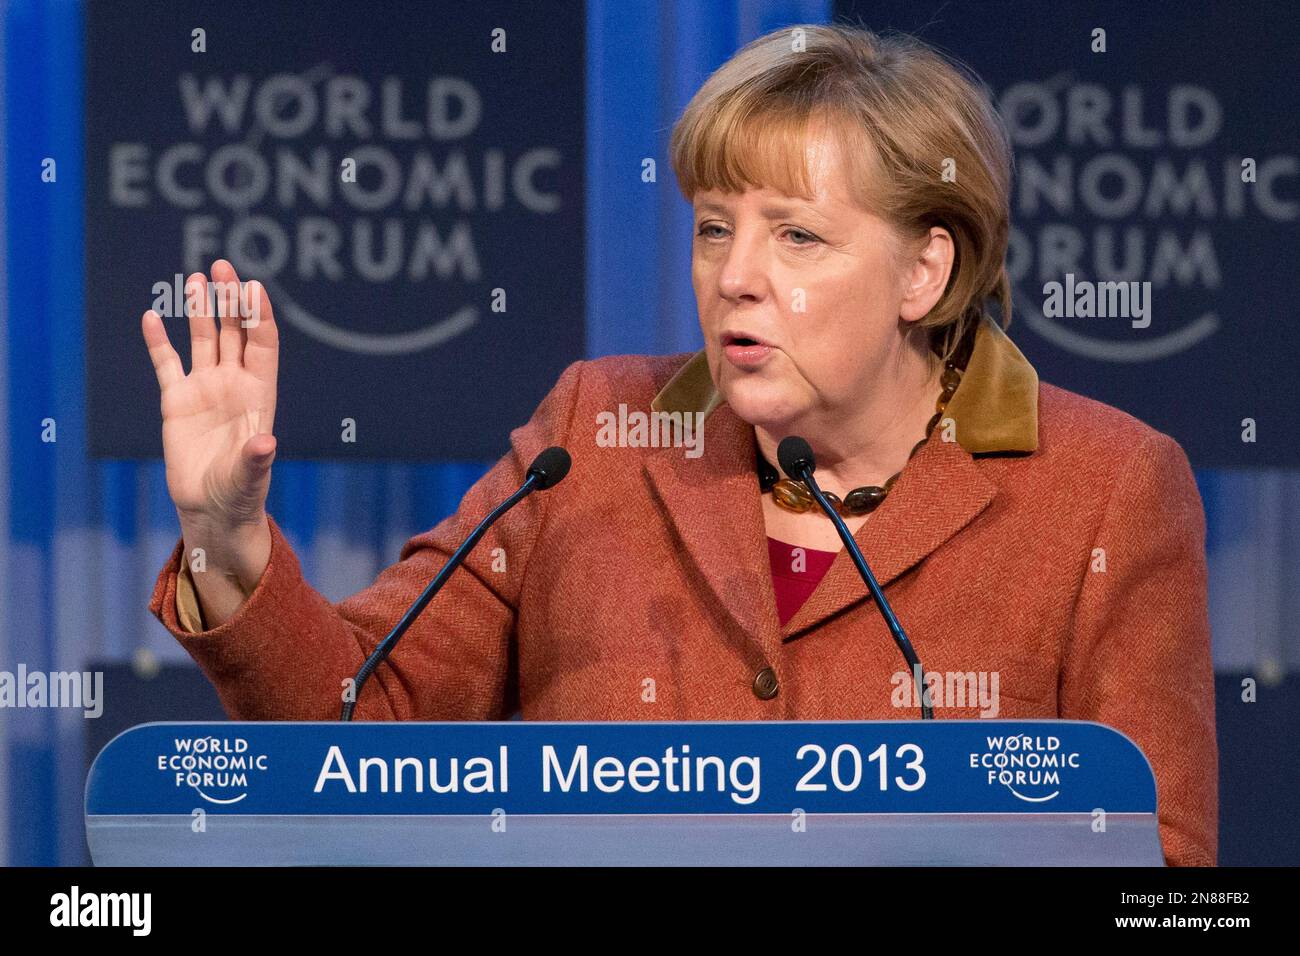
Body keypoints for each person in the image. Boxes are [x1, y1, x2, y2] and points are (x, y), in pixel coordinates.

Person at [141, 25, 1217, 866]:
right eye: (714, 227)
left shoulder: (1102, 486)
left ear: (924, 272)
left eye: (794, 233)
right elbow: (365, 728)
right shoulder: (594, 437)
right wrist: (228, 542)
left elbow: (1159, 872)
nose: (734, 274)